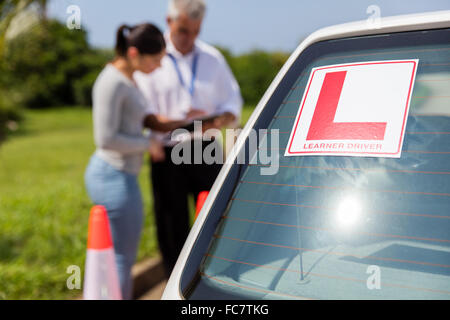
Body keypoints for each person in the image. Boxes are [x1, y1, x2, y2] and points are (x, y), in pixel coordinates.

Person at [134, 0, 243, 277]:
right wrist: (179, 121)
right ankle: (176, 280)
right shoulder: (152, 58)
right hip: (169, 151)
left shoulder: (212, 58)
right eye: (184, 31)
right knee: (172, 222)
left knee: (219, 212)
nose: (190, 38)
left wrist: (221, 120)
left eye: (196, 31)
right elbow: (141, 109)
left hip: (205, 148)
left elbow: (233, 101)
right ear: (169, 22)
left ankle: (222, 275)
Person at [84, 23, 187, 299]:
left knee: (120, 255)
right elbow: (104, 139)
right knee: (121, 258)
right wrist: (147, 144)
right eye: (155, 61)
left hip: (121, 175)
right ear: (133, 53)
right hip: (112, 175)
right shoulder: (111, 82)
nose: (158, 67)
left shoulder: (128, 78)